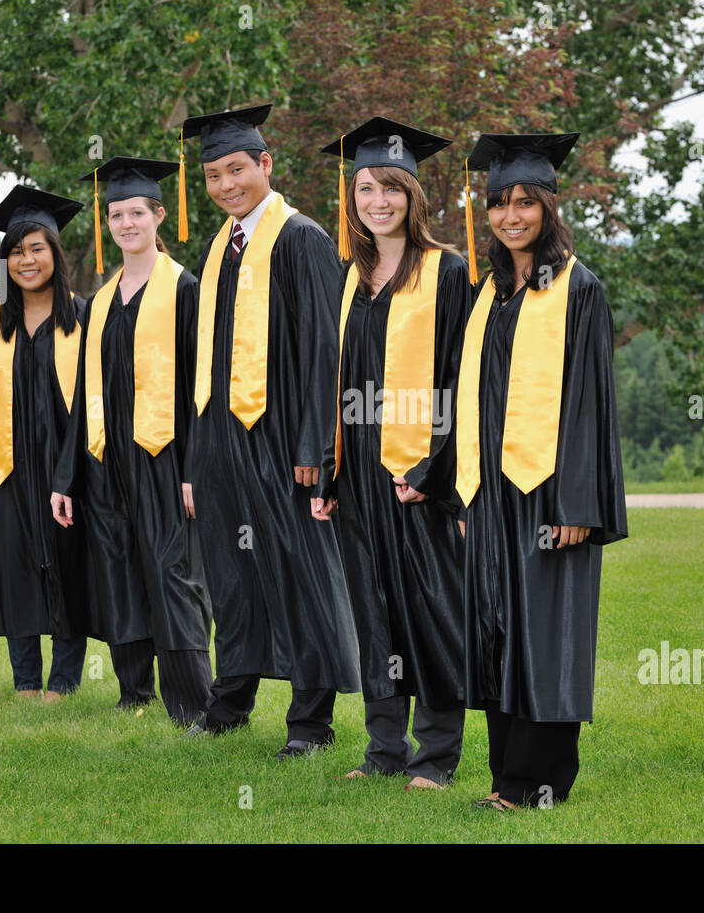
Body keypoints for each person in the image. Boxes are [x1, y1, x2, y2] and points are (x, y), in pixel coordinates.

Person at [178, 103, 361, 759]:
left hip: (285, 443)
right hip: (224, 444)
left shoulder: (301, 239)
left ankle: (311, 724)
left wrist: (317, 446)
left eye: (237, 170)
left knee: (299, 575)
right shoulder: (219, 249)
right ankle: (230, 705)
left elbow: (325, 352)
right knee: (234, 579)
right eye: (213, 175)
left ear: (266, 164)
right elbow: (205, 364)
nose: (226, 185)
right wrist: (196, 463)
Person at [459, 133, 628, 809]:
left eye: (525, 202)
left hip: (549, 494)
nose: (511, 216)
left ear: (550, 206)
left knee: (548, 635)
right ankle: (506, 777)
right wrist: (445, 481)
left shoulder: (579, 290)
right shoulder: (491, 292)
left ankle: (540, 782)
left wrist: (577, 505)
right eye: (499, 203)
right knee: (501, 632)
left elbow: (591, 404)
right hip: (492, 494)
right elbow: (471, 395)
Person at [312, 117, 471, 789]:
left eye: (391, 188)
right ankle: (384, 750)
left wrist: (437, 471)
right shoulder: (351, 276)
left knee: (429, 609)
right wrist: (329, 472)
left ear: (413, 195)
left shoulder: (447, 272)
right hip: (359, 475)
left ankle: (435, 756)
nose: (378, 201)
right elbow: (337, 378)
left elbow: (463, 380)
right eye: (366, 189)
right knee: (372, 609)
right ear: (352, 197)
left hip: (417, 474)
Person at [50, 156, 213, 727]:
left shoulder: (184, 289)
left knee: (172, 574)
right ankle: (134, 693)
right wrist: (66, 478)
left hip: (164, 457)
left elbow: (201, 387)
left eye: (136, 213)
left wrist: (194, 469)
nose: (126, 223)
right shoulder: (99, 302)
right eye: (116, 215)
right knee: (118, 570)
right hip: (106, 462)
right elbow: (82, 395)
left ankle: (193, 702)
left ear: (159, 216)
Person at [0, 185, 90, 703]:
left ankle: (65, 680)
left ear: (55, 252)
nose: (25, 261)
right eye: (15, 252)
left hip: (66, 468)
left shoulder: (82, 317)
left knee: (69, 565)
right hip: (7, 468)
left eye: (36, 248)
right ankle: (26, 679)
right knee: (14, 567)